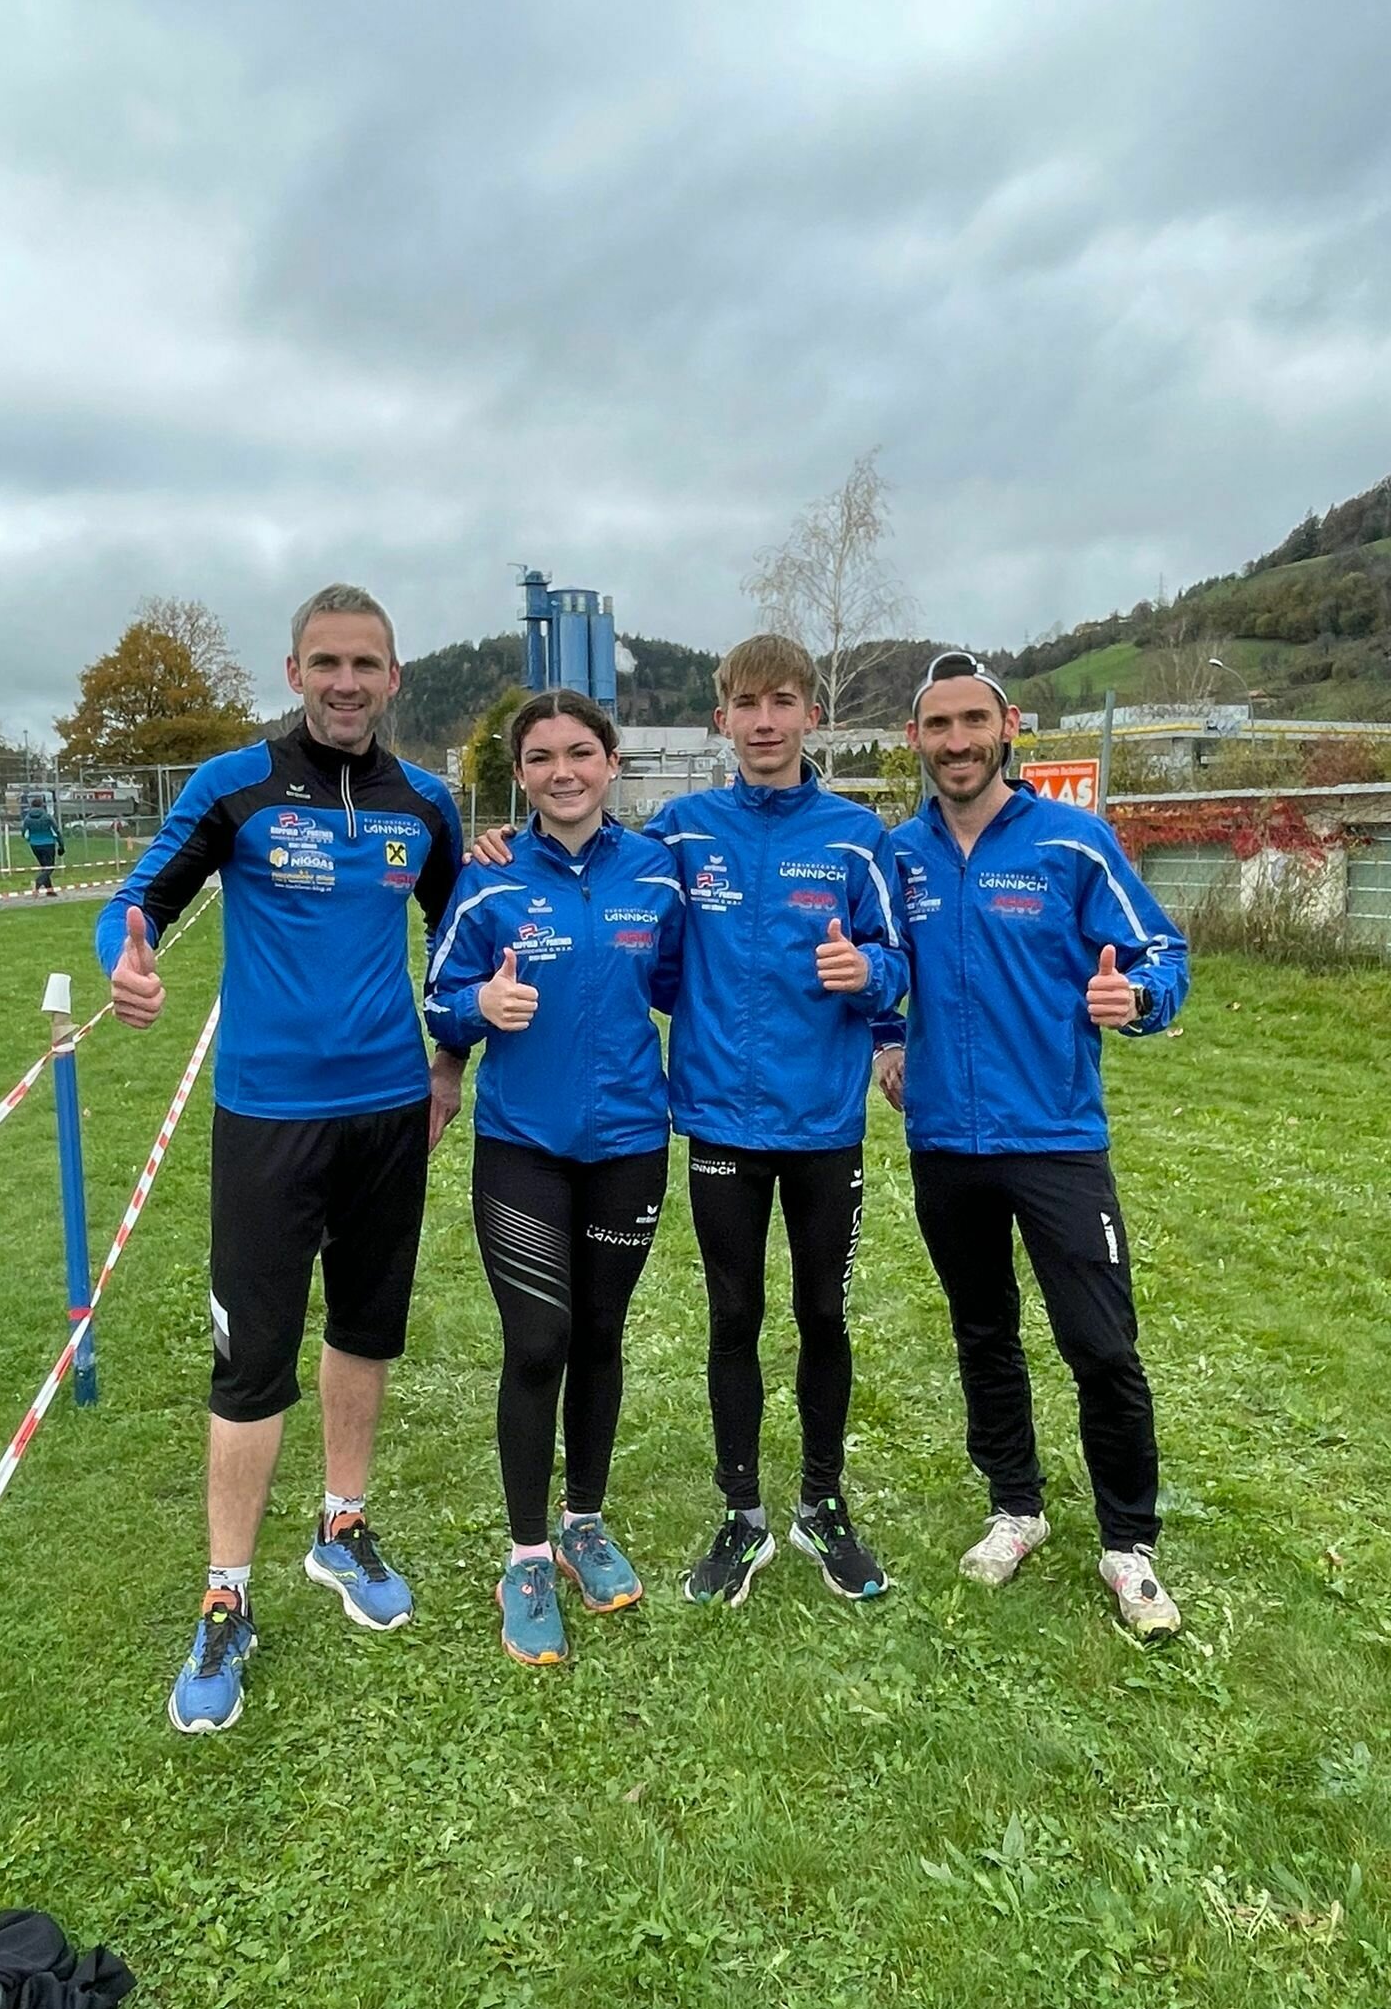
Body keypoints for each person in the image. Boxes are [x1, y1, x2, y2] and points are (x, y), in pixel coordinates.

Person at [469, 636, 911, 1609]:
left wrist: (870, 981)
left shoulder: (855, 836)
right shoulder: (681, 833)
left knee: (823, 1313)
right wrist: (498, 841)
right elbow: (616, 900)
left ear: (810, 715)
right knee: (733, 1315)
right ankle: (742, 1513)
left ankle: (823, 1504)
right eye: (745, 702)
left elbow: (895, 963)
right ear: (721, 718)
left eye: (782, 700)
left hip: (825, 1120)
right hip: (715, 1118)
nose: (764, 719)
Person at [95, 583, 467, 1733]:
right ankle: (227, 1592)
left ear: (393, 677)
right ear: (296, 669)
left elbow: (459, 940)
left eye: (367, 663)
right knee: (251, 1359)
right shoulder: (235, 787)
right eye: (326, 662)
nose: (346, 682)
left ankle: (341, 1523)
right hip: (268, 1118)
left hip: (389, 1115)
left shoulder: (429, 803)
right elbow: (138, 898)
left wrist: (448, 1066)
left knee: (365, 1327)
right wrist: (128, 958)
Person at [875, 651, 1189, 1640]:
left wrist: (1134, 997)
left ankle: (1128, 1542)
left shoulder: (1073, 841)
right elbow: (877, 956)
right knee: (983, 1332)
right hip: (945, 1142)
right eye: (939, 726)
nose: (958, 742)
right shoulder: (900, 855)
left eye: (975, 721)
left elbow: (1162, 951)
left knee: (1101, 1345)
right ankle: (1016, 1506)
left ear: (1008, 726)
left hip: (1055, 1138)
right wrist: (889, 1038)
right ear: (918, 739)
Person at [425, 690, 684, 1666]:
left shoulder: (656, 874)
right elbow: (440, 1001)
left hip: (628, 1144)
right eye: (541, 757)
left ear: (611, 763)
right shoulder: (489, 880)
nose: (562, 770)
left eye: (581, 752)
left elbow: (683, 982)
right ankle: (527, 1552)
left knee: (604, 1334)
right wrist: (478, 1004)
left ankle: (584, 1521)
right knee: (541, 1339)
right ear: (520, 774)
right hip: (524, 1146)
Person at [20, 797, 65, 894]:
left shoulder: (27, 819)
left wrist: (29, 839)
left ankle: (49, 890)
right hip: (48, 843)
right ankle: (38, 882)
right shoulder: (47, 817)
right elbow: (56, 831)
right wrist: (61, 845)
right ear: (42, 805)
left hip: (34, 845)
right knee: (50, 867)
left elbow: (24, 832)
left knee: (44, 867)